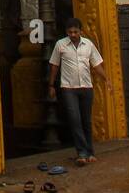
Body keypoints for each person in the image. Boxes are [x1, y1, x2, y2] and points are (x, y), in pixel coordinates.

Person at [48, 16, 112, 165]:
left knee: (86, 120)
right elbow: (54, 66)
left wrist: (106, 79)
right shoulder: (60, 45)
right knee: (75, 119)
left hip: (86, 87)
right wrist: (51, 85)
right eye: (70, 32)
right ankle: (81, 153)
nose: (73, 35)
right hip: (68, 88)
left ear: (80, 32)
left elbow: (96, 64)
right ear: (66, 32)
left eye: (75, 32)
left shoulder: (88, 45)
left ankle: (90, 152)